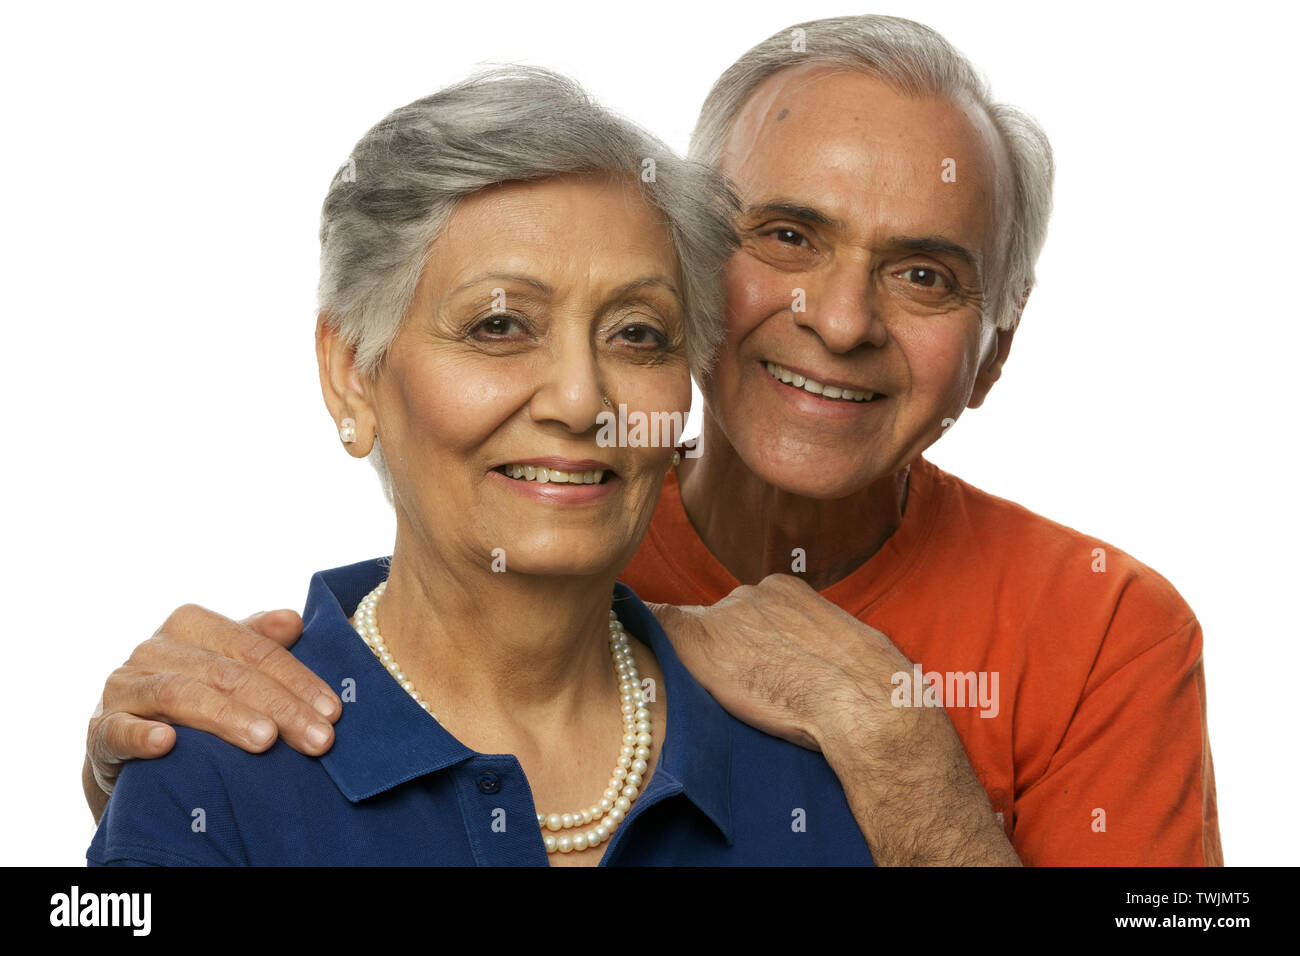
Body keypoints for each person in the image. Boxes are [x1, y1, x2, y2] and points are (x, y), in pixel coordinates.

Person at [84, 15, 1222, 866]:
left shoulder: (1114, 628)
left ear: (995, 353)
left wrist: (899, 752)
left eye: (924, 274)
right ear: (702, 273)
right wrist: (164, 783)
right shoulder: (552, 518)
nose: (838, 319)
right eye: (786, 234)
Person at [86, 66, 877, 866]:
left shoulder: (808, 774)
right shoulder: (208, 778)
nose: (580, 400)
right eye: (500, 326)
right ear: (352, 372)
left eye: (638, 334)